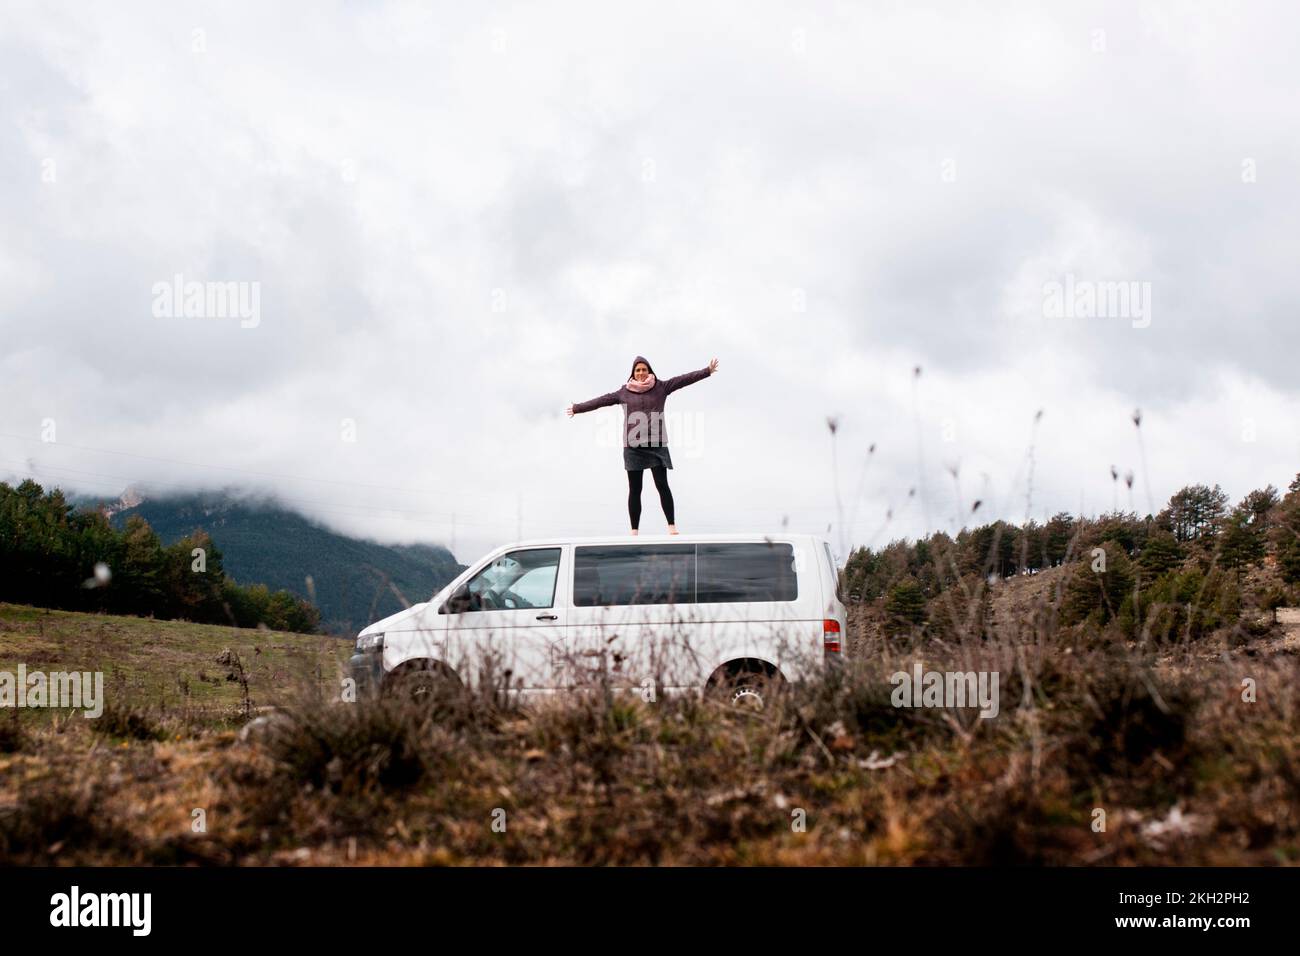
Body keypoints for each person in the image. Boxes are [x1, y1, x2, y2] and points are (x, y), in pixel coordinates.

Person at [568, 355, 718, 534]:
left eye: (644, 369)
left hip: (657, 443)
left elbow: (683, 380)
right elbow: (601, 401)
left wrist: (706, 371)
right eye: (637, 370)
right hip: (633, 446)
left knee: (662, 484)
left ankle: (672, 527)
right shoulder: (624, 392)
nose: (641, 373)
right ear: (633, 373)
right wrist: (578, 408)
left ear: (649, 371)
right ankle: (634, 531)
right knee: (635, 489)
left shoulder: (661, 387)